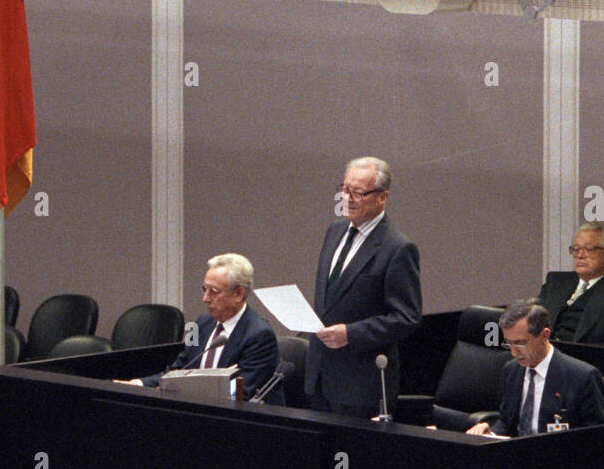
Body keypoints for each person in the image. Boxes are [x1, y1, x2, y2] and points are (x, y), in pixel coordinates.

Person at [305, 156, 421, 419]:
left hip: (361, 382)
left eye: (357, 192)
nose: (347, 198)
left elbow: (406, 317)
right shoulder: (334, 231)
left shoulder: (397, 248)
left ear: (382, 197)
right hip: (321, 375)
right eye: (344, 190)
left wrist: (351, 333)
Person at [117, 253, 278, 398]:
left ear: (238, 294)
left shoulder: (259, 335)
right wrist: (139, 383)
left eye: (214, 291)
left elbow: (241, 393)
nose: (205, 298)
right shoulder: (200, 323)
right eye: (204, 289)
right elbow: (179, 369)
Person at [467, 299, 604, 436]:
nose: (514, 352)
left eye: (520, 343)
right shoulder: (512, 370)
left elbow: (596, 437)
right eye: (509, 343)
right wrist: (490, 433)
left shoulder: (582, 377)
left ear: (544, 335)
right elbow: (506, 423)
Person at [537, 224, 604, 345]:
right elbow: (532, 323)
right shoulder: (555, 282)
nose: (580, 255)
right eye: (576, 249)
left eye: (589, 249)